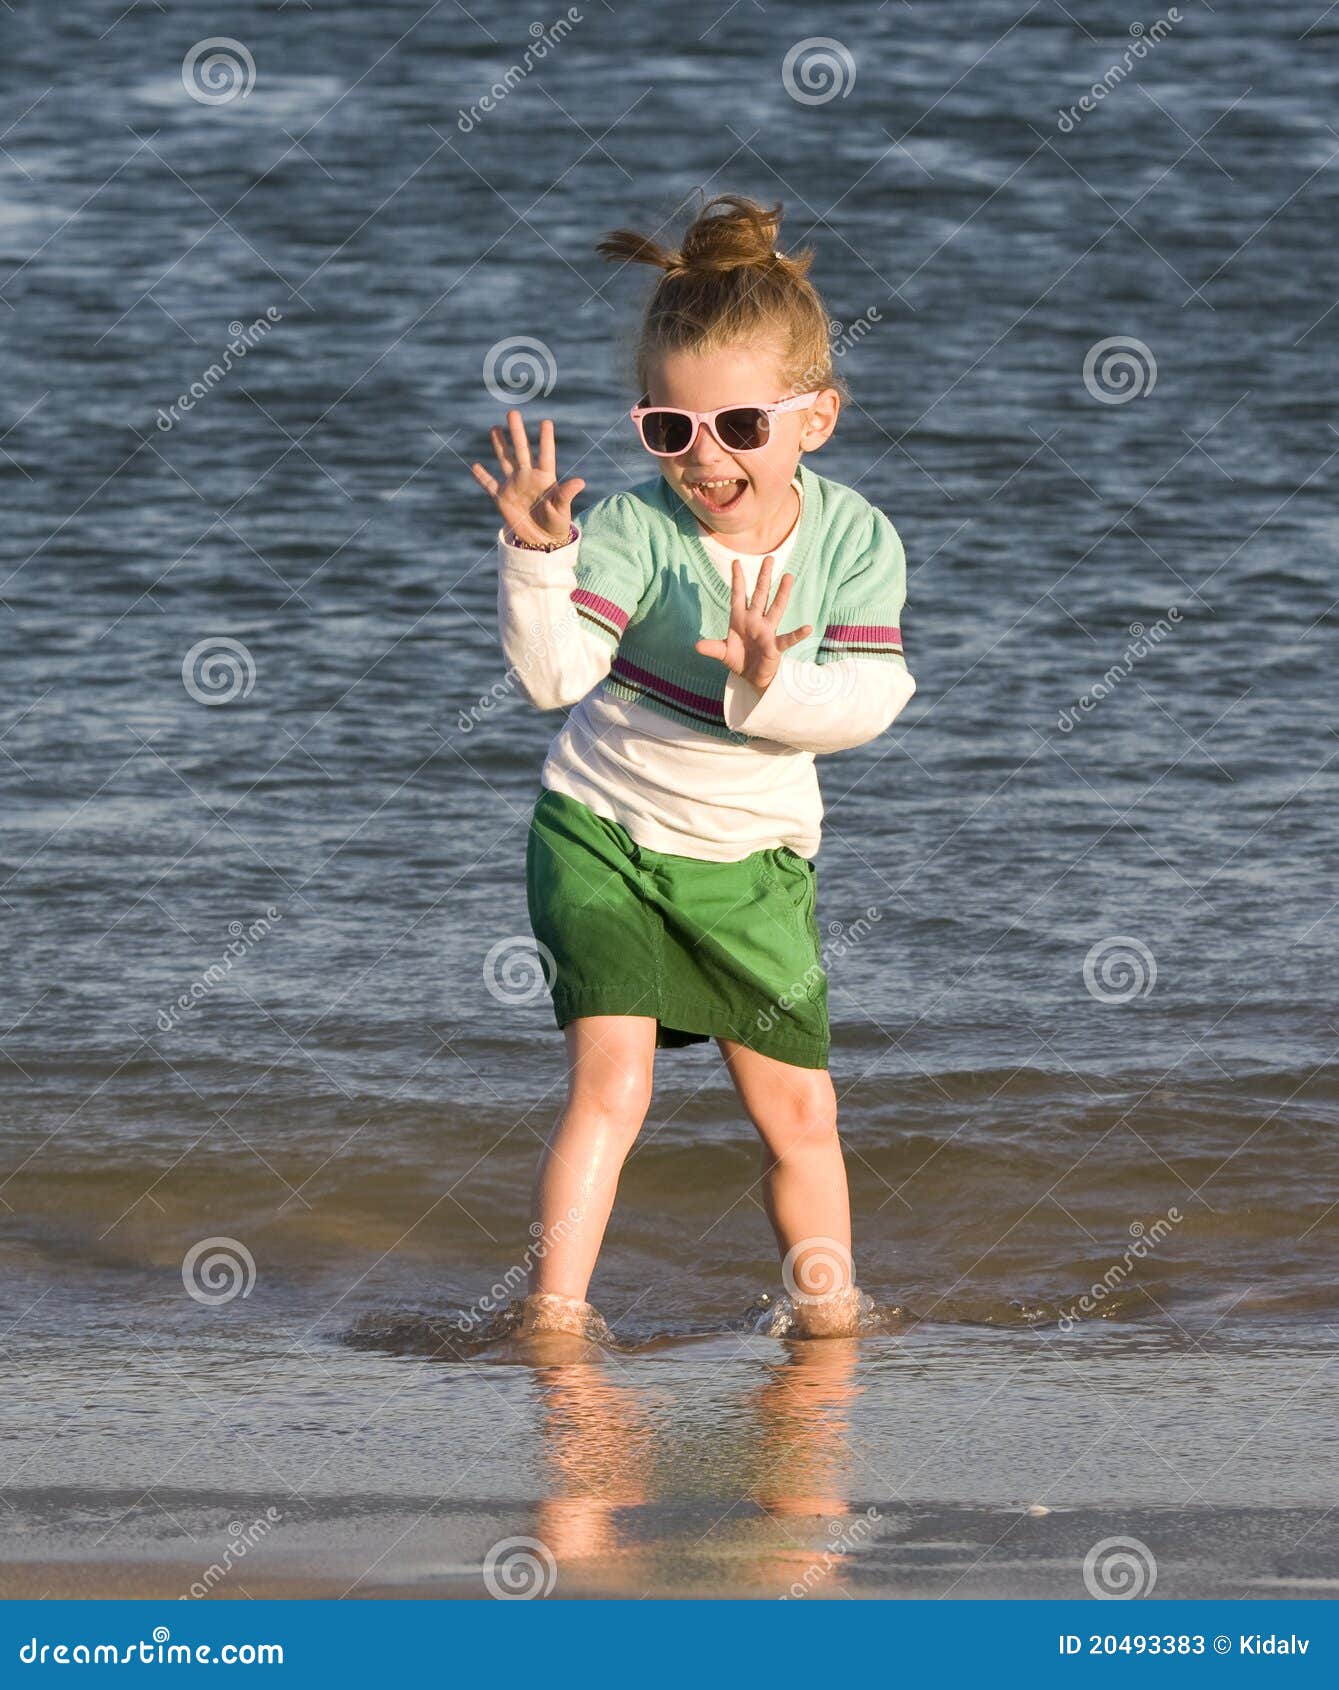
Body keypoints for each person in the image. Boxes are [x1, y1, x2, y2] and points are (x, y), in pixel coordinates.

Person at [470, 192, 916, 1340]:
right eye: (670, 429)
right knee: (613, 1084)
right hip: (602, 830)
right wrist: (536, 557)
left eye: (739, 426)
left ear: (814, 419)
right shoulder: (632, 529)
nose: (703, 458)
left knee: (799, 1113)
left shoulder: (856, 541)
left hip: (754, 856)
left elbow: (873, 700)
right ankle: (552, 1320)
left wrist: (773, 685)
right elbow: (555, 678)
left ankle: (827, 1319)